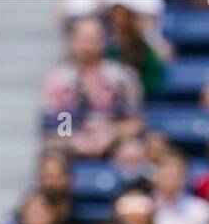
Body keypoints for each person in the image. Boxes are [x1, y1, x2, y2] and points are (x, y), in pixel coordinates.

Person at [42, 13, 143, 159]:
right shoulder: (60, 80)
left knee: (132, 151)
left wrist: (112, 133)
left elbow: (135, 121)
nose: (87, 46)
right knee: (52, 159)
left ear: (103, 41)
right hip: (70, 144)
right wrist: (75, 139)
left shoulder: (121, 77)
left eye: (92, 39)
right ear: (72, 41)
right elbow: (56, 120)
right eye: (83, 39)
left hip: (114, 141)